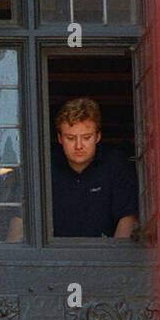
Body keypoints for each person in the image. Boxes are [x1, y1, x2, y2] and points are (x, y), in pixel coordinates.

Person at [51, 97, 139, 239]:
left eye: (86, 137)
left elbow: (128, 218)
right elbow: (21, 220)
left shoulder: (115, 165)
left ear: (98, 136)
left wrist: (115, 259)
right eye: (71, 138)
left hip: (105, 257)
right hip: (52, 258)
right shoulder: (44, 167)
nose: (78, 146)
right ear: (60, 138)